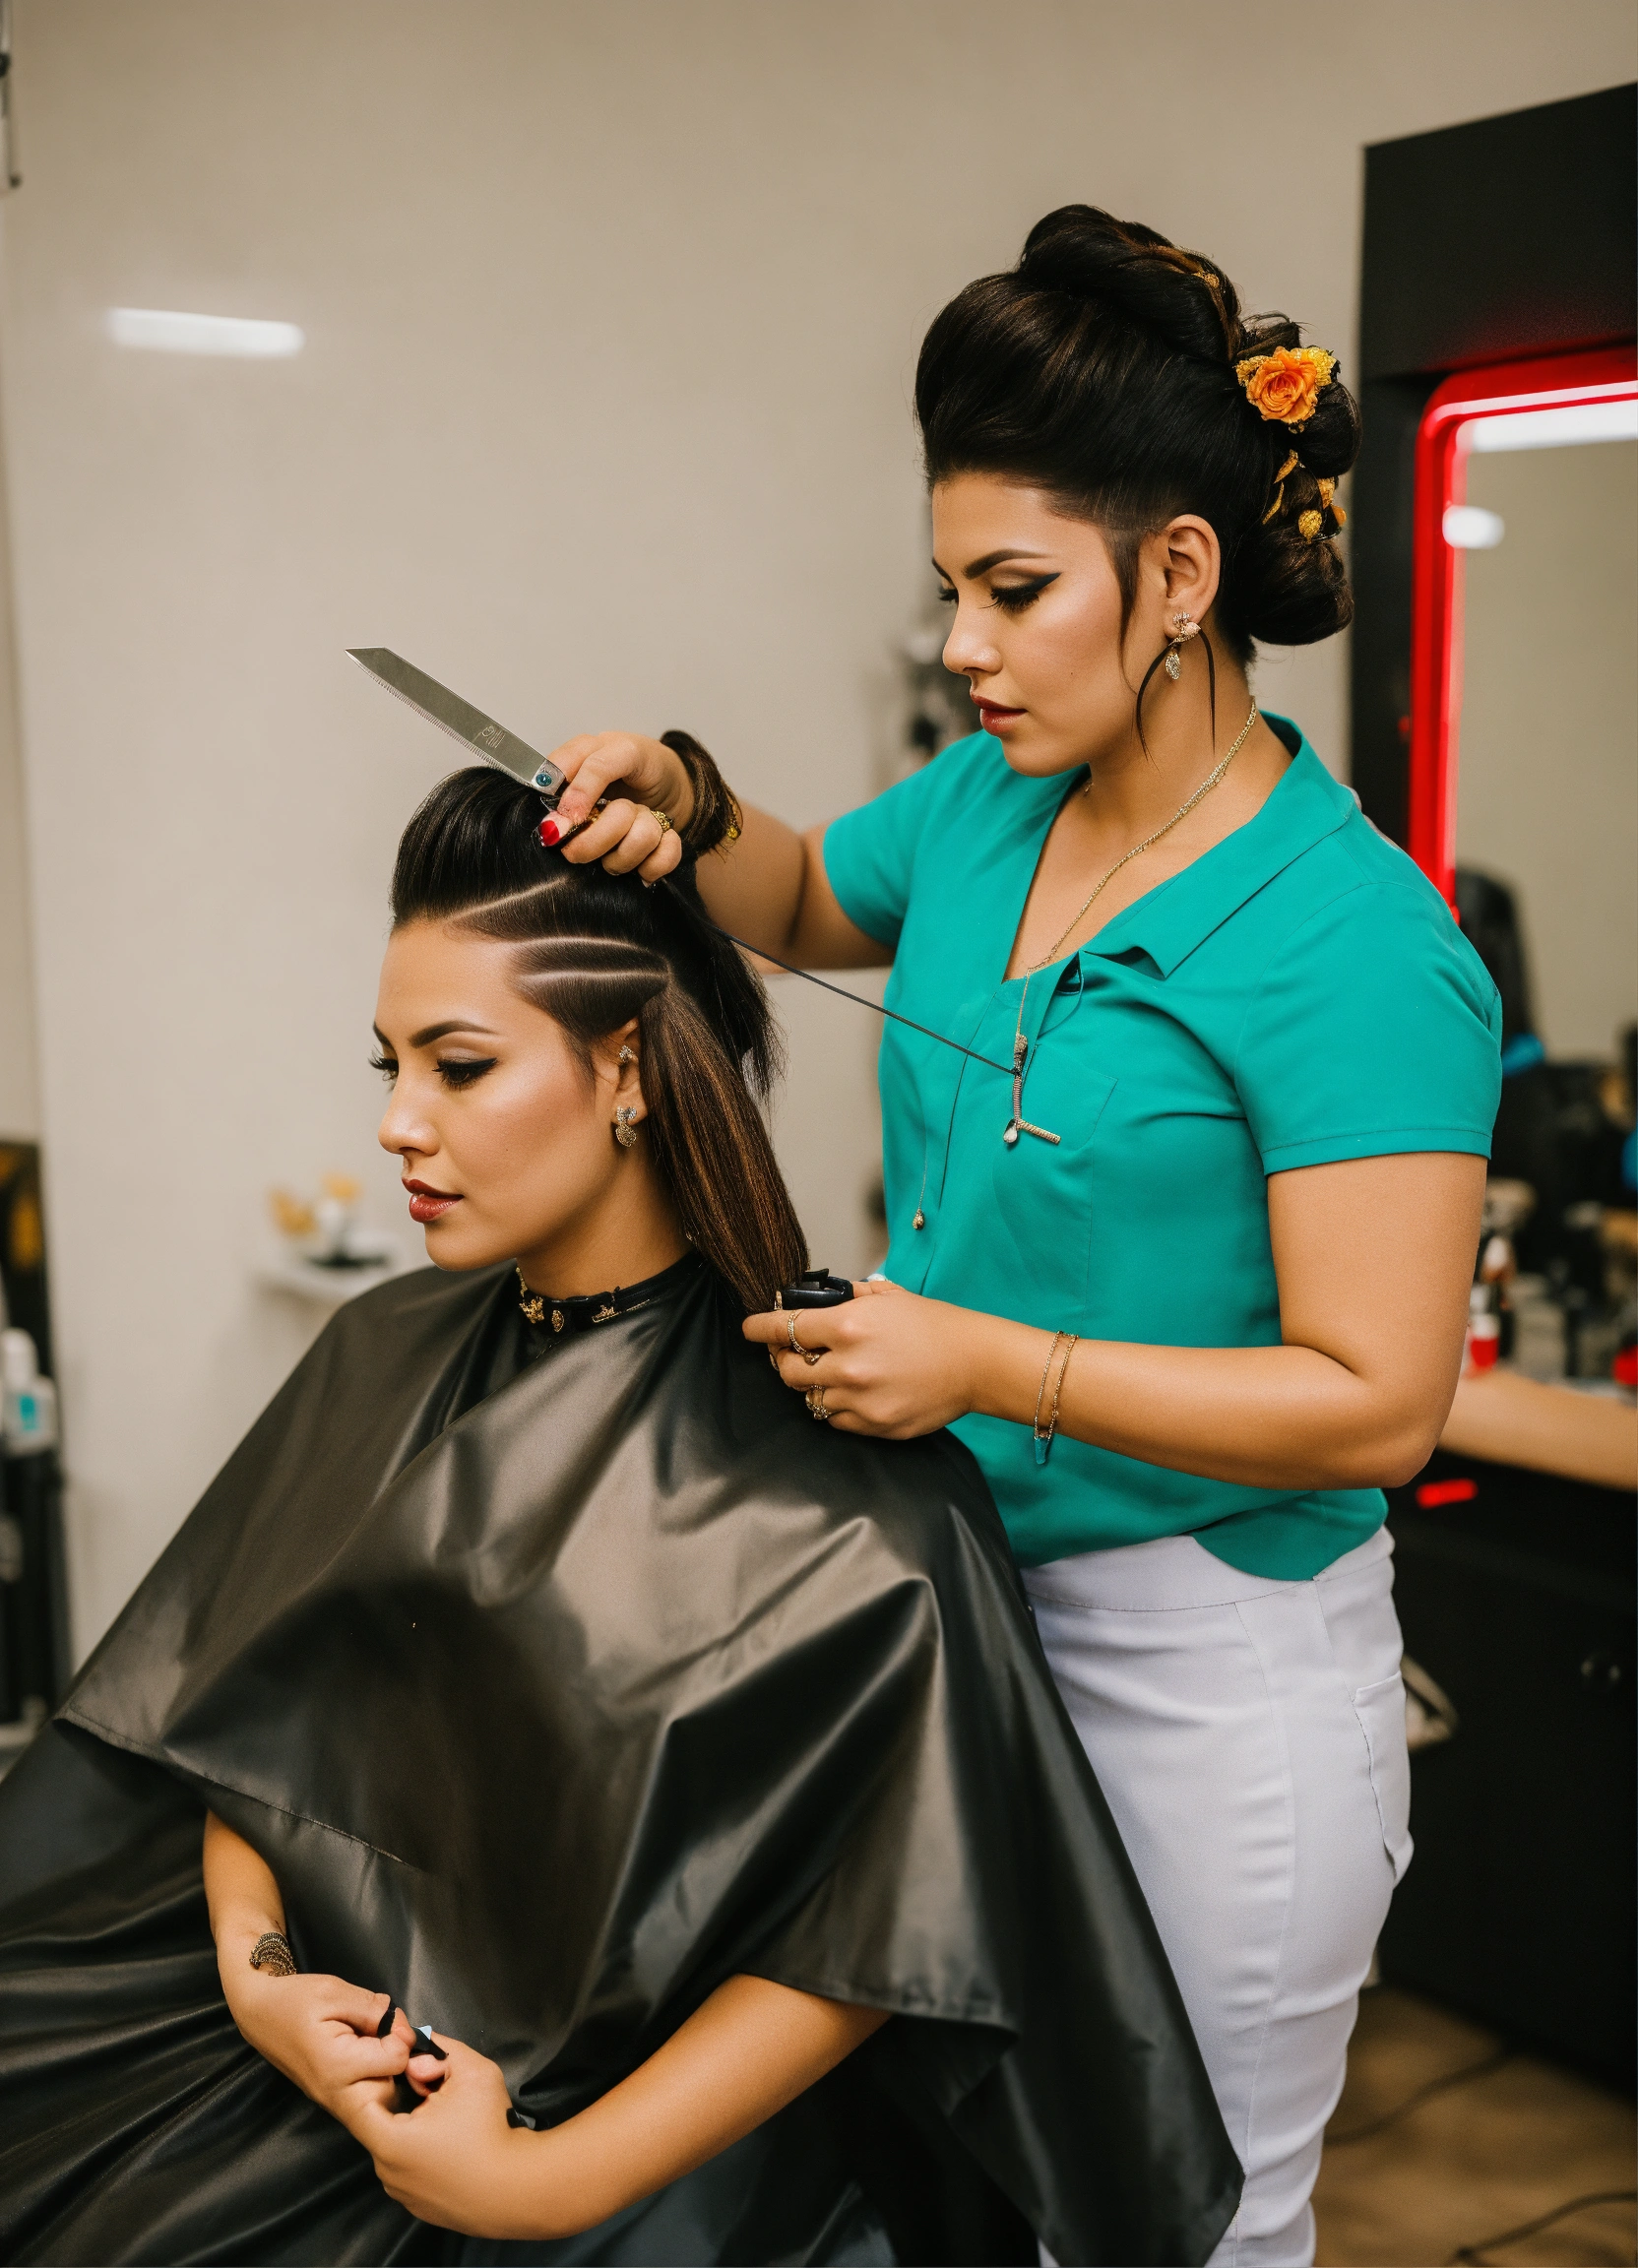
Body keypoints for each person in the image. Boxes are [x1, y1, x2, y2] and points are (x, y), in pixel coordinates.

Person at [524, 207, 1503, 2267]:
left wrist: (985, 1366)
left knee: (1184, 2228)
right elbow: (797, 902)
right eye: (947, 587)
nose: (962, 643)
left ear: (1177, 575)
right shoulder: (988, 806)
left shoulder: (1352, 946)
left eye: (1012, 590)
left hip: (1210, 1683)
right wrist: (688, 804)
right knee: (971, 2204)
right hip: (962, 1629)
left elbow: (1375, 1398)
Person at [0, 766, 1239, 2268]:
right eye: (387, 1065)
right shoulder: (378, 1352)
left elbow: (887, 1936)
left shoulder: (857, 1506)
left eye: (458, 1069)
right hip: (327, 2068)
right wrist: (264, 1983)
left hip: (641, 2159)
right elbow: (240, 1722)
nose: (399, 1123)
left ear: (632, 1067)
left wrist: (547, 2184)